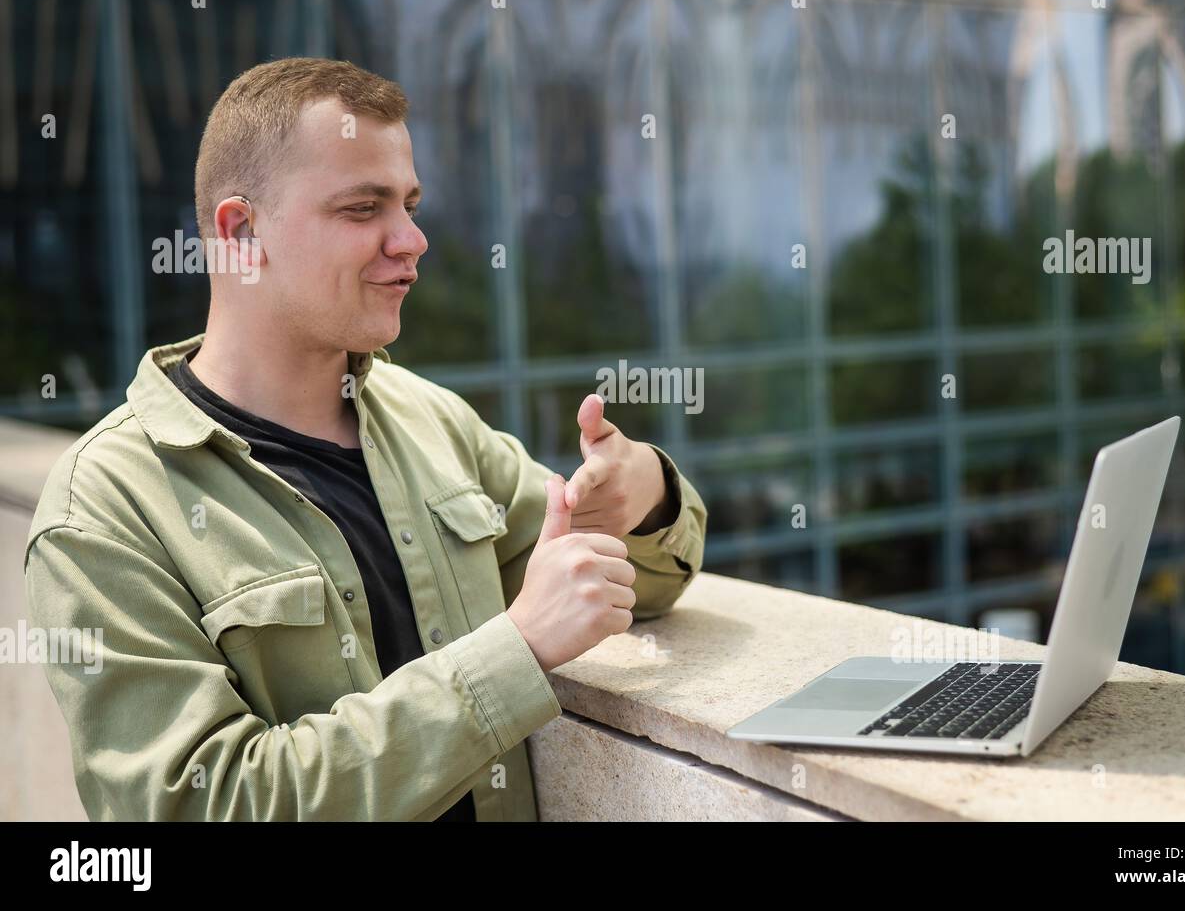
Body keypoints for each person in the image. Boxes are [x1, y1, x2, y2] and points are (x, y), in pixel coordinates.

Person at [24, 58, 707, 821]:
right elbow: (201, 806)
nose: (411, 239)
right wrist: (512, 654)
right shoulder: (104, 511)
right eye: (363, 209)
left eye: (410, 204)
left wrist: (641, 492)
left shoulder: (431, 420)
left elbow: (636, 587)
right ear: (242, 232)